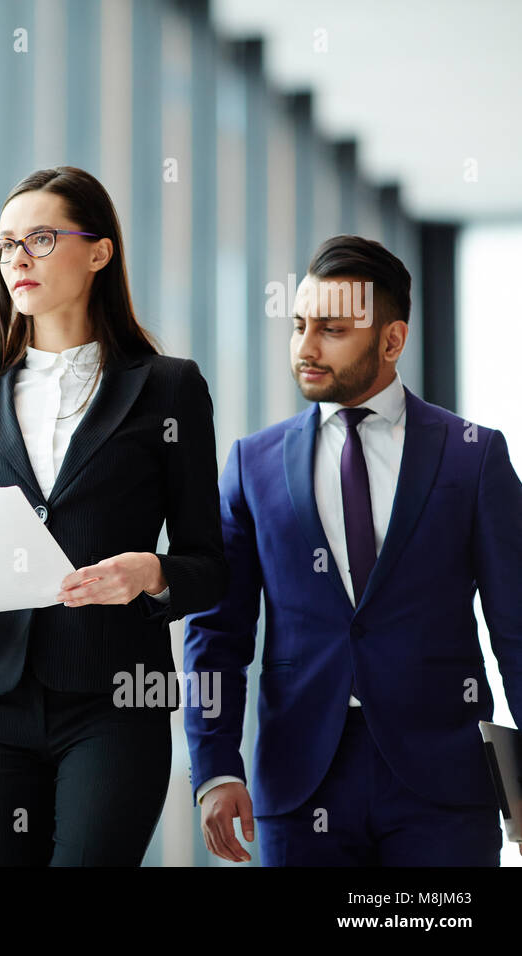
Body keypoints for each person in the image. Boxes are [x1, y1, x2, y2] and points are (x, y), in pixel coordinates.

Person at [0, 166, 228, 866]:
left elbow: (211, 566)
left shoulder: (168, 387)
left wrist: (151, 573)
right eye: (4, 245)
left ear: (99, 251)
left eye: (40, 238)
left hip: (116, 703)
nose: (17, 259)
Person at [184, 235, 522, 866]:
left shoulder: (473, 455)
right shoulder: (250, 464)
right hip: (299, 778)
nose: (306, 349)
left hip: (444, 785)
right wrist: (215, 766)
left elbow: (518, 627)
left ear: (392, 341)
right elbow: (217, 631)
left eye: (332, 330)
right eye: (300, 325)